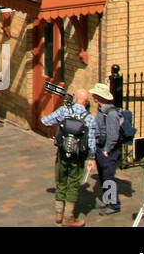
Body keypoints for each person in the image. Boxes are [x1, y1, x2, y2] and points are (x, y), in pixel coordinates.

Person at [40, 88, 98, 227]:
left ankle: (58, 214)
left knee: (60, 182)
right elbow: (91, 141)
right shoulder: (89, 118)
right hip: (78, 157)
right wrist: (91, 158)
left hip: (62, 154)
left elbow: (45, 120)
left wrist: (53, 129)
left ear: (75, 98)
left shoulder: (64, 111)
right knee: (73, 184)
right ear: (86, 102)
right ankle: (69, 217)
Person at [90, 82, 122, 216]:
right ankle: (108, 200)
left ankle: (113, 205)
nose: (93, 96)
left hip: (107, 150)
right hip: (100, 147)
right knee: (104, 176)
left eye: (95, 94)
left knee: (108, 176)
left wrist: (107, 149)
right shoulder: (102, 110)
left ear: (98, 97)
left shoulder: (111, 114)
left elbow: (113, 134)